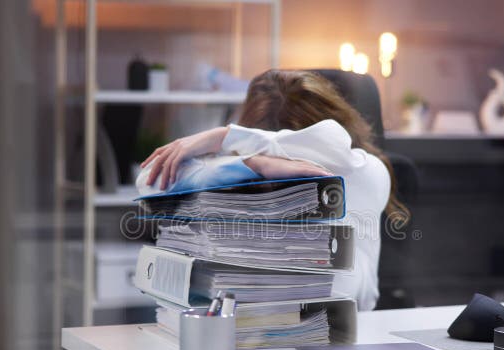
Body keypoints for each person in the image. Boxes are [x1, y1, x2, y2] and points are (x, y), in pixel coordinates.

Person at [137, 69, 410, 311]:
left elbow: (331, 142)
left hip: (343, 330)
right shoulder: (246, 169)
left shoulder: (364, 171)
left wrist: (226, 136)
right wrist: (255, 163)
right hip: (252, 326)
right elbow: (148, 181)